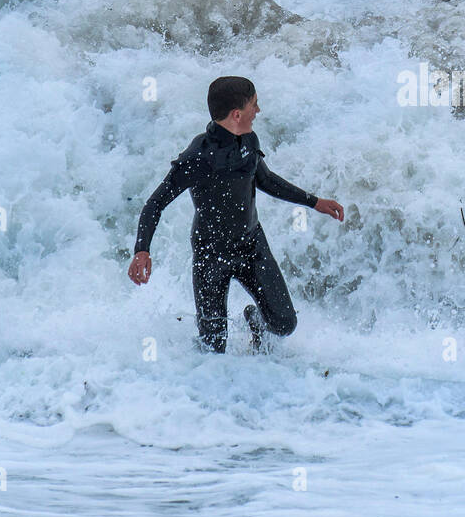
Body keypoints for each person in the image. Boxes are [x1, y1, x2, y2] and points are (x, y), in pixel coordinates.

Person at [127, 76, 344, 352]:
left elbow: (265, 180)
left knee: (284, 324)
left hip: (251, 246)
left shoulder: (249, 141)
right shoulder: (197, 157)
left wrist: (314, 202)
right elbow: (155, 204)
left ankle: (255, 320)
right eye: (254, 104)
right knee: (212, 347)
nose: (259, 111)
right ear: (237, 114)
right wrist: (142, 250)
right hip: (211, 255)